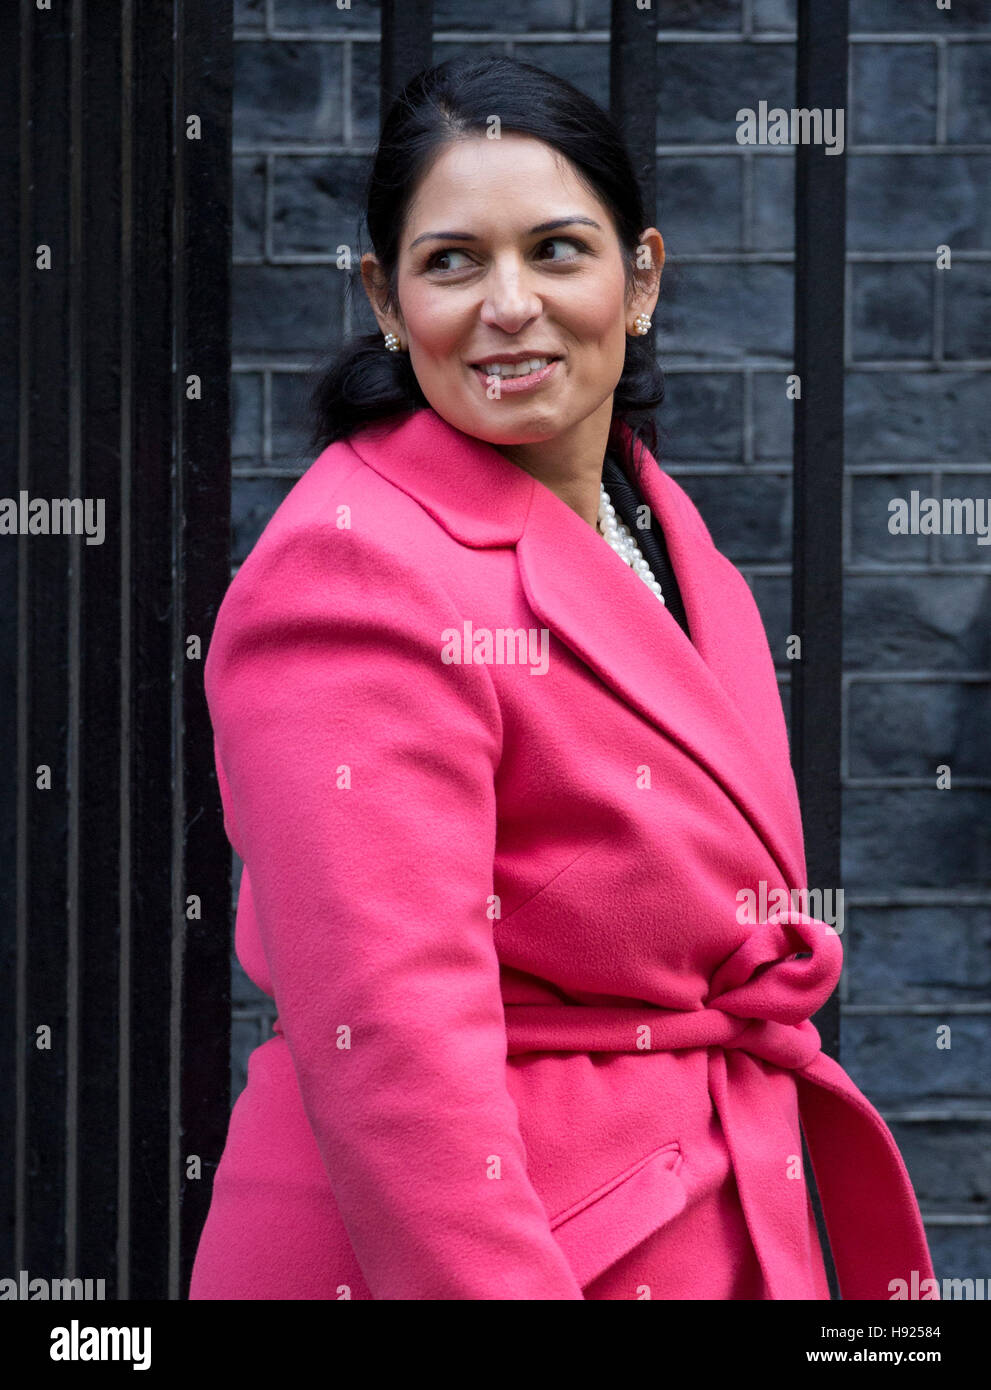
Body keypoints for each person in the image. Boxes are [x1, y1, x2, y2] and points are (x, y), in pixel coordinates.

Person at [188, 55, 936, 1301]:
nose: (510, 304)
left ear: (639, 277)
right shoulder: (350, 574)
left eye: (555, 250)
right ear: (384, 298)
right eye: (451, 262)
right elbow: (393, 1048)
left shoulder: (656, 527)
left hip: (692, 1212)